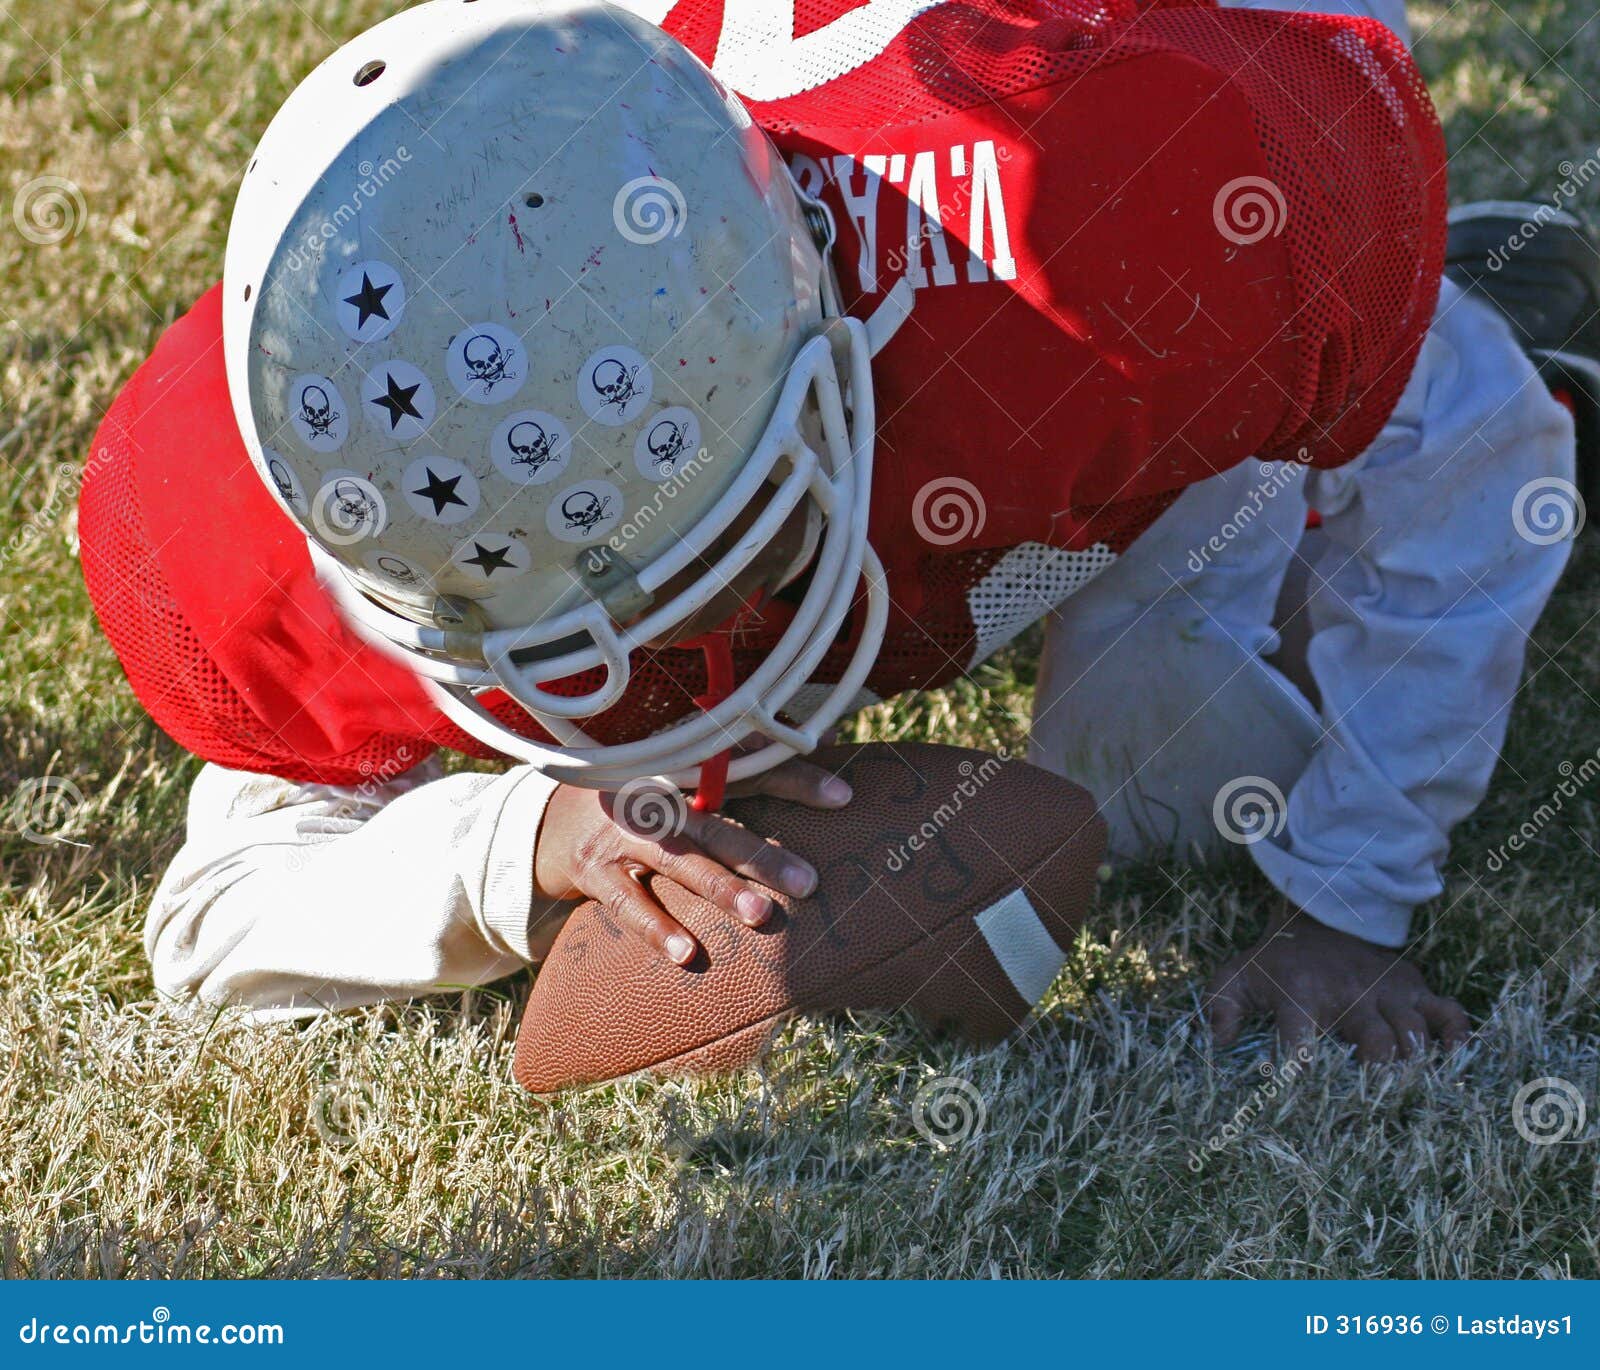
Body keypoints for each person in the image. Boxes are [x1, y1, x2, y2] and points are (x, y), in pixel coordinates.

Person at [79, 0, 1581, 1060]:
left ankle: (1438, 295)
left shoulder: (1071, 242)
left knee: (1162, 708)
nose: (680, 664)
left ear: (826, 345)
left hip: (1139, 49)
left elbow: (1484, 462)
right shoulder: (366, 442)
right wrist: (527, 836)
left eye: (713, 561)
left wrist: (1349, 904)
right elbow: (215, 922)